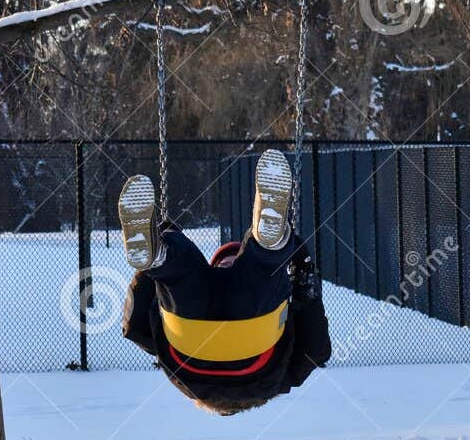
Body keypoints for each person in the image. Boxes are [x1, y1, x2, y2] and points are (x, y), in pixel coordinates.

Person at [118, 149, 330, 415]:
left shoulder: (277, 382)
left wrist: (149, 272)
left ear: (212, 268)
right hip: (203, 349)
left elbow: (316, 350)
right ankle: (266, 246)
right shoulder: (195, 384)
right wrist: (305, 278)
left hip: (225, 343)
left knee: (182, 275)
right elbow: (133, 328)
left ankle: (161, 255)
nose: (227, 267)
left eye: (224, 262)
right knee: (248, 275)